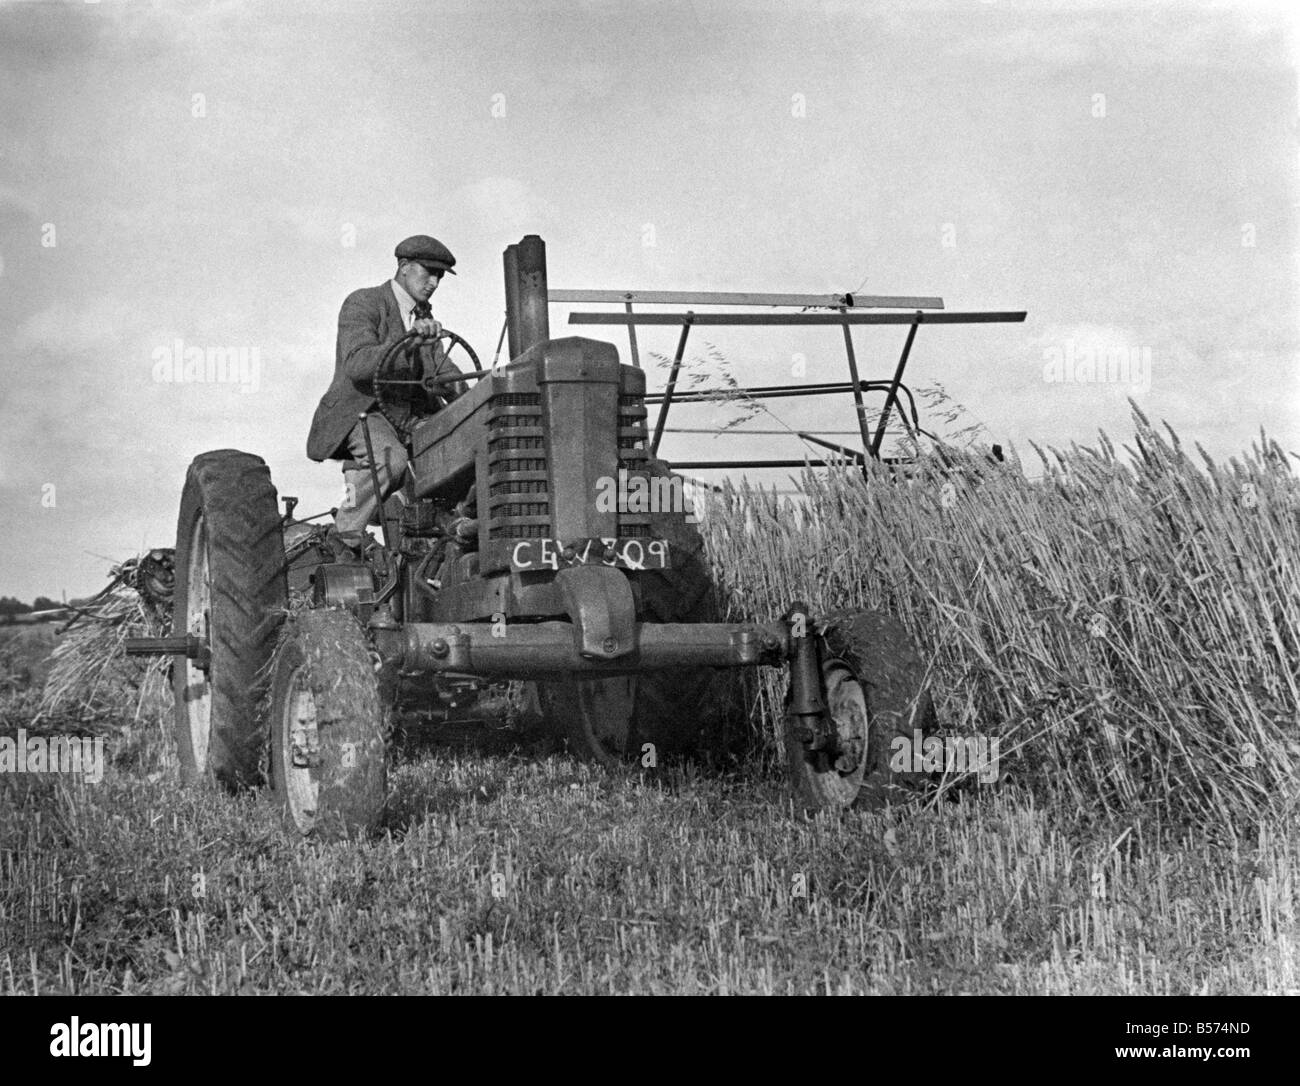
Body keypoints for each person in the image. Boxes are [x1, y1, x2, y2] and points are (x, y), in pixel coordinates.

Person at [307, 235, 464, 560]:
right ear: (404, 267)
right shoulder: (363, 303)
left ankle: (452, 540)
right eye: (429, 272)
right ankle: (344, 538)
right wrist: (411, 341)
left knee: (461, 453)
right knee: (389, 460)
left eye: (440, 276)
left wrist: (482, 394)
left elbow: (443, 372)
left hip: (408, 419)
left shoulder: (423, 318)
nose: (434, 282)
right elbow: (359, 364)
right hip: (365, 410)